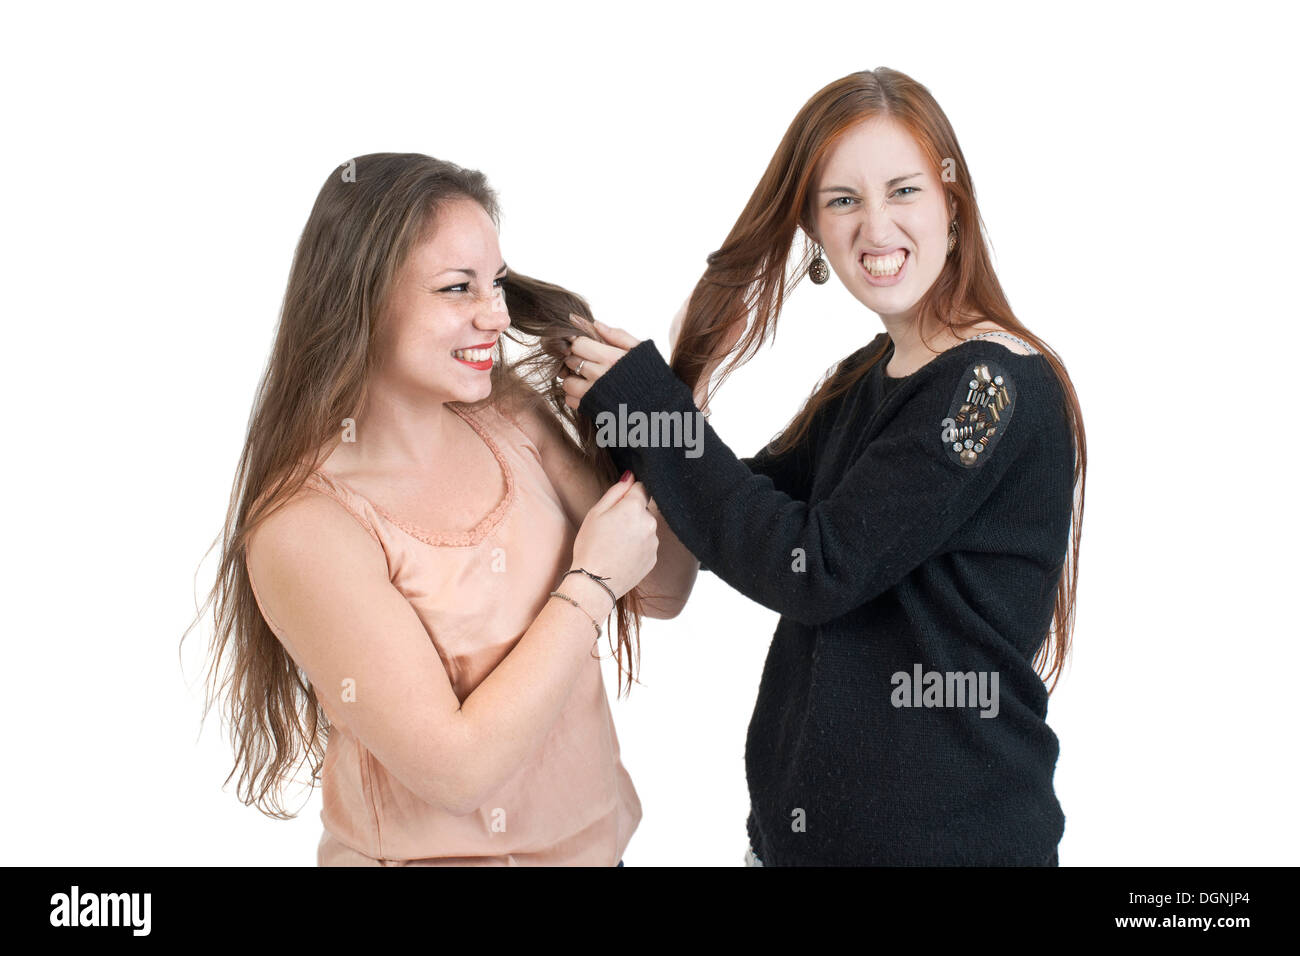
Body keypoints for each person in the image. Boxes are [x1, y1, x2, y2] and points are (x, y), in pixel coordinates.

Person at [559, 68, 1087, 866]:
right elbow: (733, 514)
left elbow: (813, 565)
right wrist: (675, 390)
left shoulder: (991, 387)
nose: (875, 229)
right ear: (811, 225)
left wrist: (654, 410)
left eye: (902, 190)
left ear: (953, 202)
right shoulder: (863, 378)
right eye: (842, 200)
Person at [186, 152, 695, 866]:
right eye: (458, 289)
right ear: (358, 301)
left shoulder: (506, 411)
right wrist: (590, 584)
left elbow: (662, 587)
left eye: (495, 283)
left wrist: (660, 422)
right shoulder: (304, 527)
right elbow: (458, 770)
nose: (496, 315)